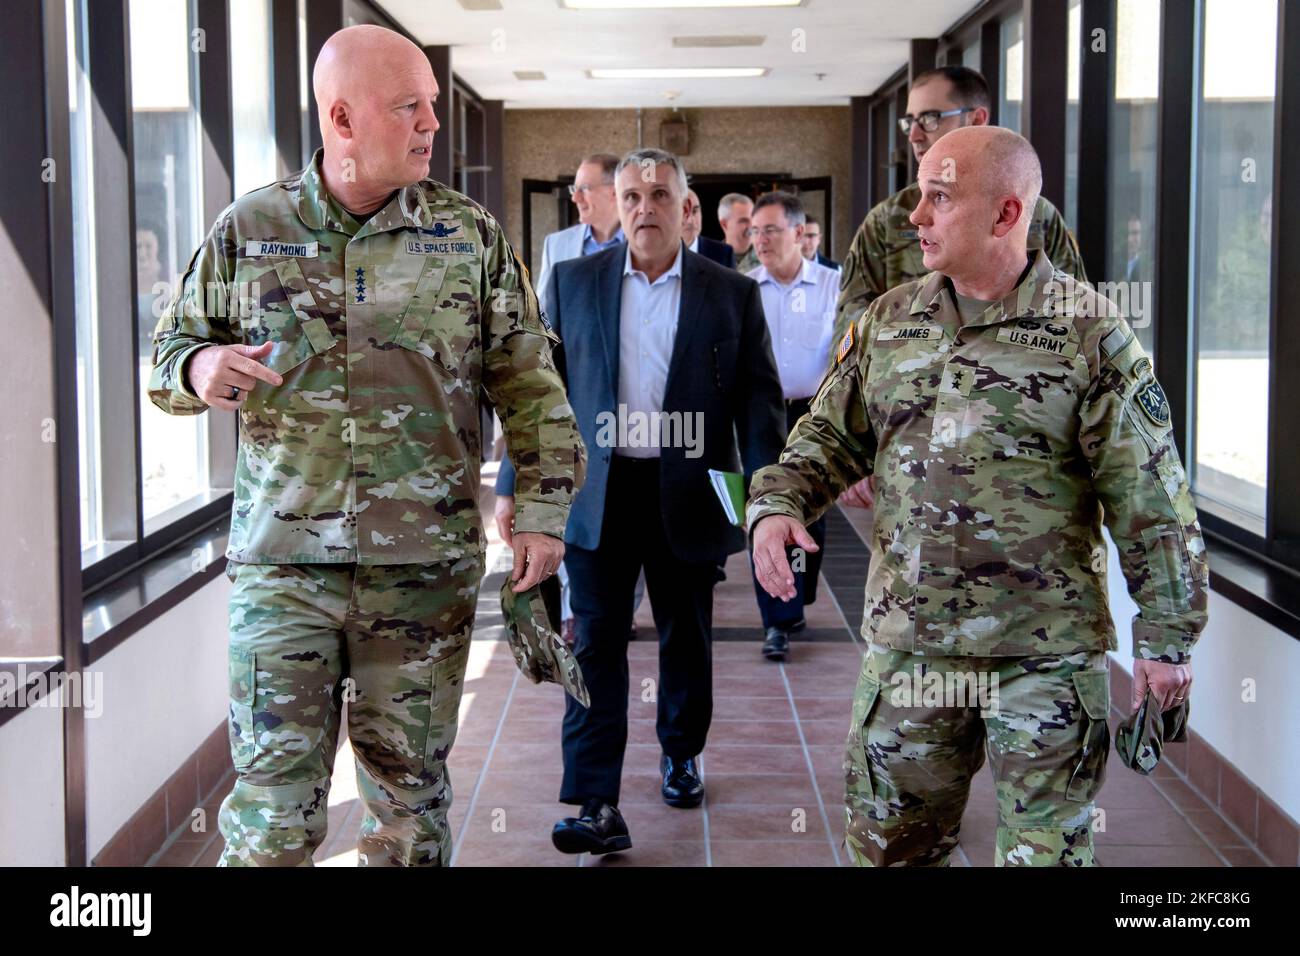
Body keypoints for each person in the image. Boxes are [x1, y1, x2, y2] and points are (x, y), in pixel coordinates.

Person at [147, 24, 585, 866]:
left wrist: (540, 513)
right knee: (273, 823)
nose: (432, 123)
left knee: (409, 816)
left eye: (431, 104)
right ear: (341, 120)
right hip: (282, 572)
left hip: (422, 574)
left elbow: (532, 390)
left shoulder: (469, 239)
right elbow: (168, 358)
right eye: (409, 107)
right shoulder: (250, 229)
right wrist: (200, 365)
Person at [748, 126, 1208, 867]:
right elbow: (826, 439)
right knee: (893, 850)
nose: (916, 218)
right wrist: (776, 506)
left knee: (1046, 856)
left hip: (1044, 658)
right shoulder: (890, 322)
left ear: (1004, 214)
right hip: (910, 648)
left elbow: (1151, 493)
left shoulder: (1089, 332)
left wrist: (1169, 634)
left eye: (940, 198)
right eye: (920, 195)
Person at [496, 148, 785, 855]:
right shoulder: (572, 282)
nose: (644, 208)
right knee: (594, 642)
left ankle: (681, 751)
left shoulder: (730, 293)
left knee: (687, 635)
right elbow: (539, 391)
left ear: (687, 208)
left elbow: (759, 400)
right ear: (611, 206)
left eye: (660, 195)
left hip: (689, 489)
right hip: (601, 492)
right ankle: (595, 800)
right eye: (631, 196)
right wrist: (513, 483)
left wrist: (770, 497)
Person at [831, 64, 1089, 513]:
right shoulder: (887, 224)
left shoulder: (1036, 218)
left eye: (930, 117)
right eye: (909, 121)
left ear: (976, 119)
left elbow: (1079, 333)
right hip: (912, 461)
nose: (914, 133)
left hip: (1019, 463)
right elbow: (852, 339)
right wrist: (860, 443)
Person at [744, 191, 838, 661]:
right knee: (764, 512)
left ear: (799, 233)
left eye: (770, 230)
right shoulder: (743, 288)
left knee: (812, 517)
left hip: (815, 416)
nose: (759, 240)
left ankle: (797, 593)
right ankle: (776, 620)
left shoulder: (832, 286)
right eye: (754, 231)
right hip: (762, 415)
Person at [535, 153, 624, 301]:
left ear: (614, 191)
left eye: (584, 188)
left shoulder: (644, 244)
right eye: (574, 189)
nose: (575, 198)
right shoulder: (555, 245)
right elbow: (542, 312)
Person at [683, 188, 736, 267]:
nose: (691, 220)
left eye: (695, 211)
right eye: (684, 212)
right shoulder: (659, 253)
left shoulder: (723, 253)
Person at [718, 192, 760, 273]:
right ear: (724, 224)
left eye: (753, 219)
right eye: (744, 221)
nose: (751, 226)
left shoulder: (767, 260)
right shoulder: (710, 260)